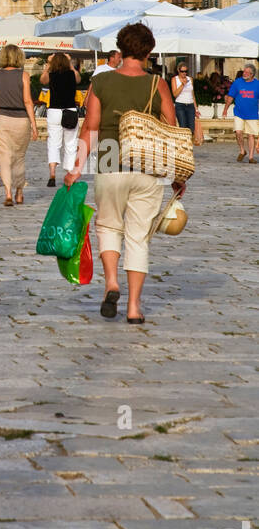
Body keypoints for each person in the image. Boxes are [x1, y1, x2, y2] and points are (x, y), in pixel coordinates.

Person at [66, 22, 180, 325]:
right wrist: (177, 174)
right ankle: (133, 307)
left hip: (109, 161)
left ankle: (112, 283)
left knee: (108, 227)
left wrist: (76, 168)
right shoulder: (157, 84)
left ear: (120, 48)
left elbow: (90, 127)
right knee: (138, 236)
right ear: (148, 51)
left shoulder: (101, 82)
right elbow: (171, 129)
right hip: (147, 166)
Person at [0, 45, 38, 206]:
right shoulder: (23, 75)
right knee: (19, 157)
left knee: (4, 157)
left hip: (2, 118)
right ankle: (19, 192)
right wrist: (33, 124)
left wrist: (0, 114)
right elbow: (27, 101)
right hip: (21, 119)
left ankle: (8, 193)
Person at [40, 51, 79, 188]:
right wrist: (71, 63)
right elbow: (78, 79)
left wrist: (48, 64)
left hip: (54, 111)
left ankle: (52, 174)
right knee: (70, 143)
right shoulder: (71, 74)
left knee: (53, 143)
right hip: (70, 110)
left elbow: (42, 80)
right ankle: (70, 173)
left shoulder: (52, 75)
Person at [223, 63, 259, 163]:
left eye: (247, 72)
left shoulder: (257, 84)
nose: (244, 73)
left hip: (252, 114)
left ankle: (251, 157)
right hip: (239, 112)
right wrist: (225, 109)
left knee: (251, 135)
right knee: (238, 132)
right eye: (244, 71)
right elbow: (231, 97)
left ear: (252, 74)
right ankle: (242, 151)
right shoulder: (237, 82)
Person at [171, 62, 197, 133]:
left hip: (190, 105)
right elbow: (175, 94)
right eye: (182, 71)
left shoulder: (190, 79)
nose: (184, 73)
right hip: (180, 105)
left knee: (191, 128)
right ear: (178, 71)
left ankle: (190, 139)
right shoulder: (174, 79)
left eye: (186, 71)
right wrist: (182, 85)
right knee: (183, 127)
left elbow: (193, 95)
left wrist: (196, 109)